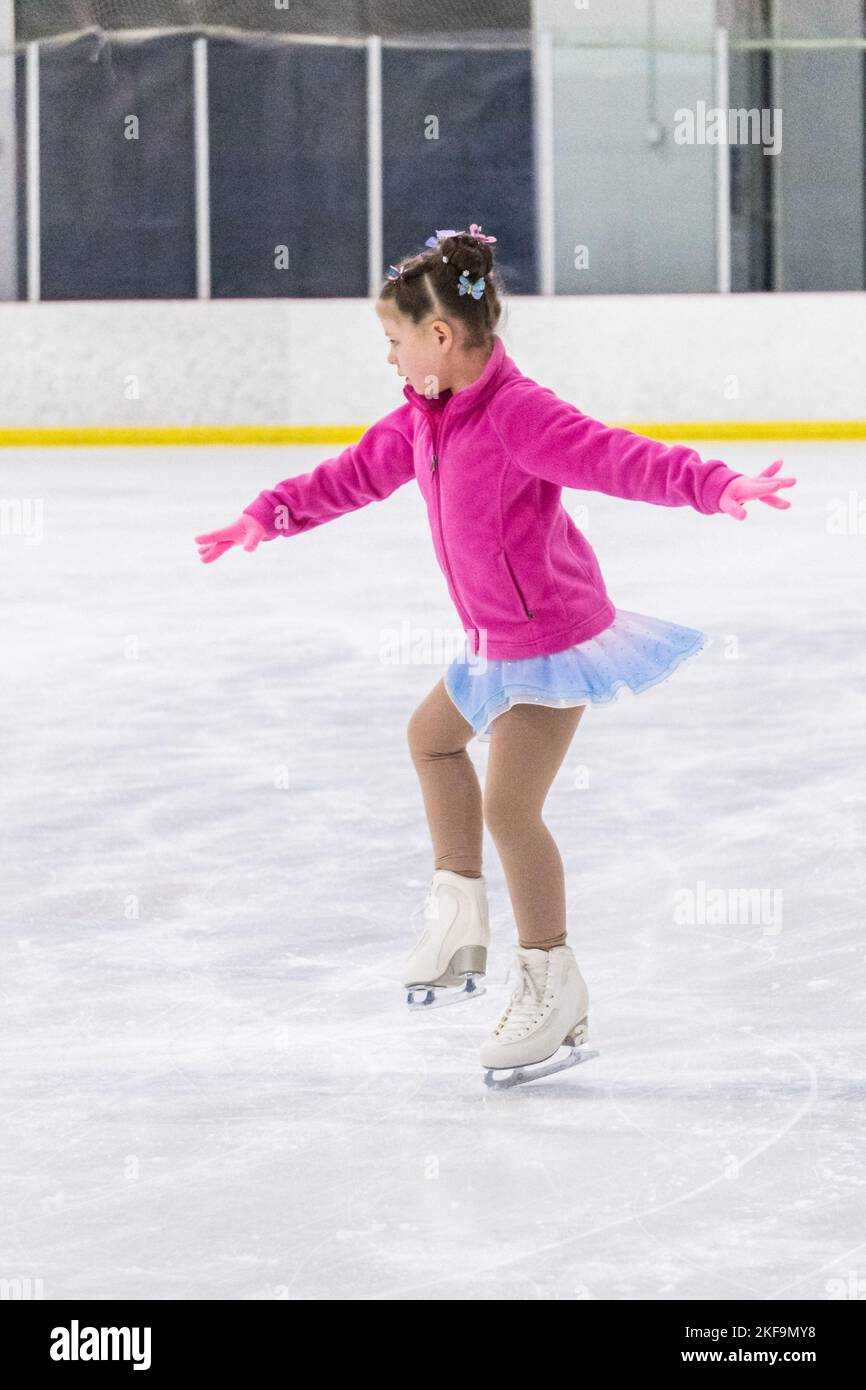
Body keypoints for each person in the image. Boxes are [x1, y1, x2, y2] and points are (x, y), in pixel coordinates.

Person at [195, 222, 796, 1082]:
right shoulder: (425, 419)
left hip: (551, 640)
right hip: (493, 643)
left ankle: (553, 980)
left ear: (440, 337)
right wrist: (270, 512)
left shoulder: (519, 415)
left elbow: (617, 458)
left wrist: (713, 482)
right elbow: (349, 474)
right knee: (431, 740)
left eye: (395, 342)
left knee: (511, 809)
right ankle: (458, 912)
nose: (391, 360)